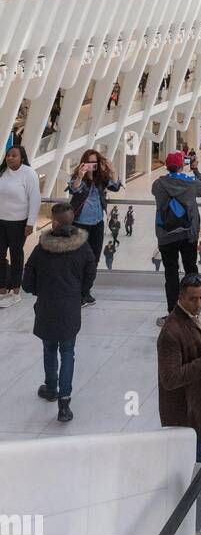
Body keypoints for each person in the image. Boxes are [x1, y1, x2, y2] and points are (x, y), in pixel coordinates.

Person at [157, 273, 201, 527]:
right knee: (196, 477)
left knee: (199, 464)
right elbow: (170, 378)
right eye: (193, 299)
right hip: (187, 416)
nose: (199, 304)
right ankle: (199, 526)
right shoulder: (171, 332)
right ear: (180, 297)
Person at [22, 201, 96, 423]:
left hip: (46, 306)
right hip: (70, 308)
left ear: (54, 223)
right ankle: (64, 403)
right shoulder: (83, 248)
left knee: (49, 349)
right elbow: (89, 276)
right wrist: (79, 293)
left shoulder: (41, 249)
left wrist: (38, 290)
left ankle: (51, 387)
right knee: (68, 352)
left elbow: (28, 281)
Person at [152, 151, 201, 325]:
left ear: (166, 166)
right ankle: (194, 310)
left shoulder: (158, 184)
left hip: (166, 236)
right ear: (182, 165)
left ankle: (172, 312)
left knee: (170, 273)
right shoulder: (190, 183)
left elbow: (155, 191)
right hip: (188, 235)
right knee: (191, 270)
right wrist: (196, 170)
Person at [66, 148, 123, 303]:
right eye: (89, 162)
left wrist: (113, 170)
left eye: (95, 162)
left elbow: (116, 186)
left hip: (97, 223)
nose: (92, 165)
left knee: (94, 258)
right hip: (79, 224)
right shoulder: (80, 177)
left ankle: (86, 291)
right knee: (78, 258)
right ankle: (77, 291)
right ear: (84, 163)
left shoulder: (101, 178)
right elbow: (74, 188)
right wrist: (80, 175)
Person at [0, 144, 41, 308]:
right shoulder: (2, 172)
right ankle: (2, 288)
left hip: (19, 223)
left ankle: (15, 290)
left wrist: (30, 223)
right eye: (8, 155)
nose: (10, 158)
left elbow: (35, 198)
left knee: (16, 255)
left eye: (14, 155)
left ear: (22, 158)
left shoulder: (29, 174)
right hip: (0, 221)